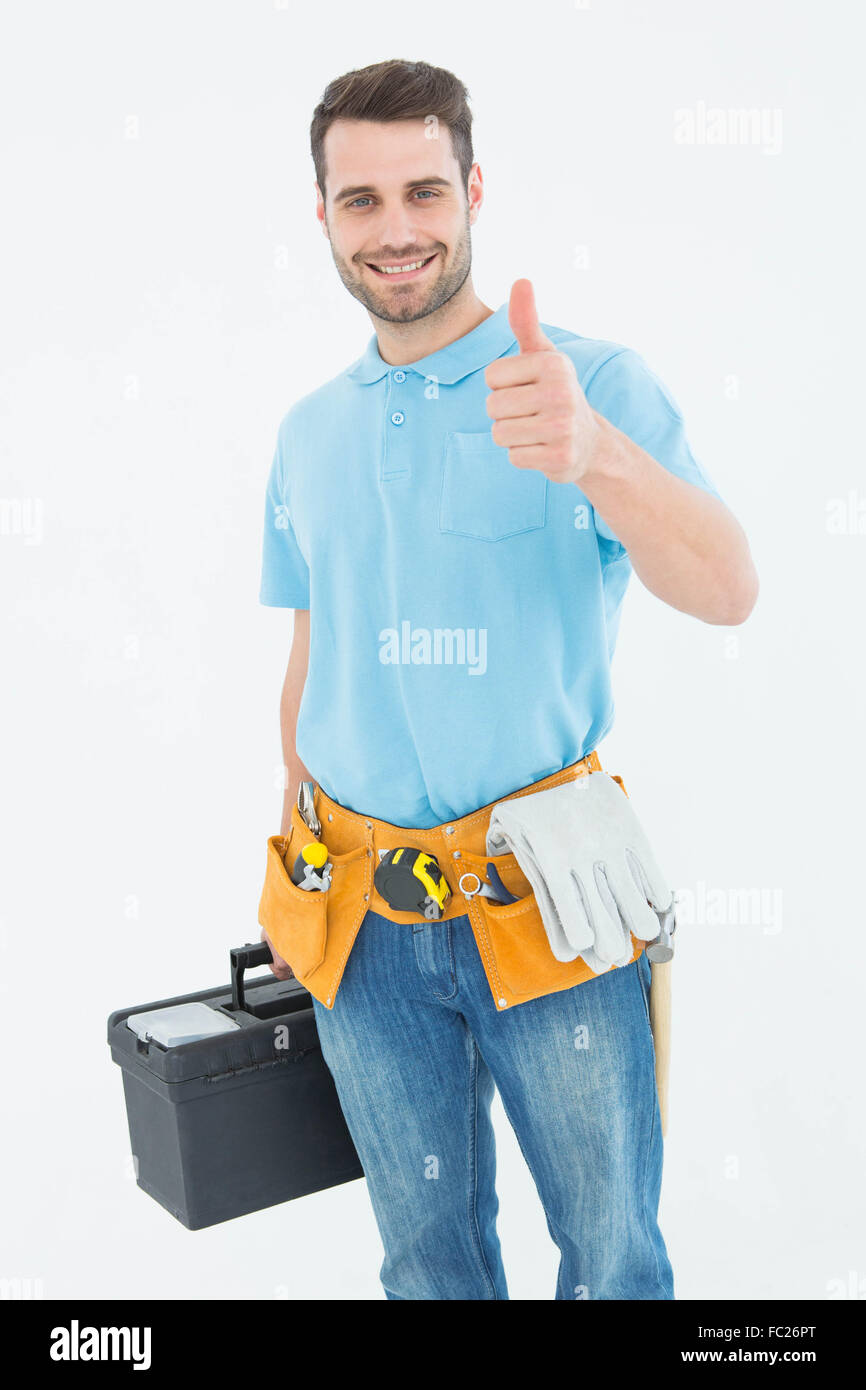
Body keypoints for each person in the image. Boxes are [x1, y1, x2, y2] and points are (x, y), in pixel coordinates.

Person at [259, 58, 758, 1300]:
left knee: (609, 1255)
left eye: (423, 189)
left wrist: (597, 459)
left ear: (473, 191)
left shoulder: (580, 384)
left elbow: (728, 586)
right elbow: (316, 649)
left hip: (549, 901)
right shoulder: (307, 431)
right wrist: (300, 865)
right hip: (361, 924)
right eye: (360, 199)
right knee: (426, 1261)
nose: (396, 228)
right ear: (319, 214)